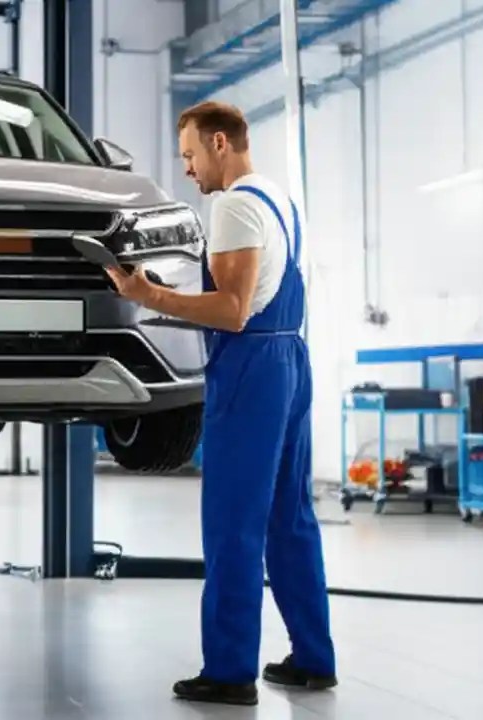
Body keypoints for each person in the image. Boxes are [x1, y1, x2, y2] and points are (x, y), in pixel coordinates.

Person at [103, 100, 337, 707]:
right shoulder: (278, 199)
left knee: (233, 522)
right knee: (290, 516)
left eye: (189, 154)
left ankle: (230, 671)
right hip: (290, 358)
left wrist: (146, 293)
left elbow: (232, 311)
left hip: (251, 370)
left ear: (220, 145)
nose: (187, 169)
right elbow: (256, 296)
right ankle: (314, 658)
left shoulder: (232, 205)